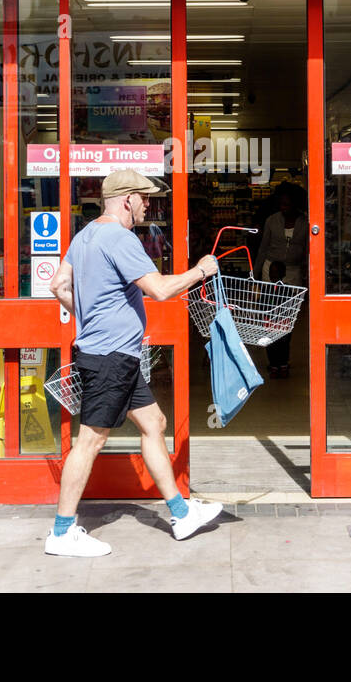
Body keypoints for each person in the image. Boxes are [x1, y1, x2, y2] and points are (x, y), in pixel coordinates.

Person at [45, 168, 223, 557]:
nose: (148, 205)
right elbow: (159, 290)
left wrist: (89, 316)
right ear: (127, 200)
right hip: (111, 358)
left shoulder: (85, 235)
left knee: (154, 422)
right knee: (90, 440)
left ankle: (181, 513)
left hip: (113, 354)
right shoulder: (121, 239)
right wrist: (200, 271)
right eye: (144, 198)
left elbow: (57, 285)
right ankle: (61, 532)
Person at [255, 182, 307, 377]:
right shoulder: (271, 220)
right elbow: (262, 248)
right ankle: (274, 361)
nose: (283, 208)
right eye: (281, 204)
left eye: (287, 205)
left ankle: (283, 358)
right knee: (271, 316)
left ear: (295, 205)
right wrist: (256, 274)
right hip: (271, 271)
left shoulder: (305, 222)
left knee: (288, 317)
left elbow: (308, 250)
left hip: (293, 273)